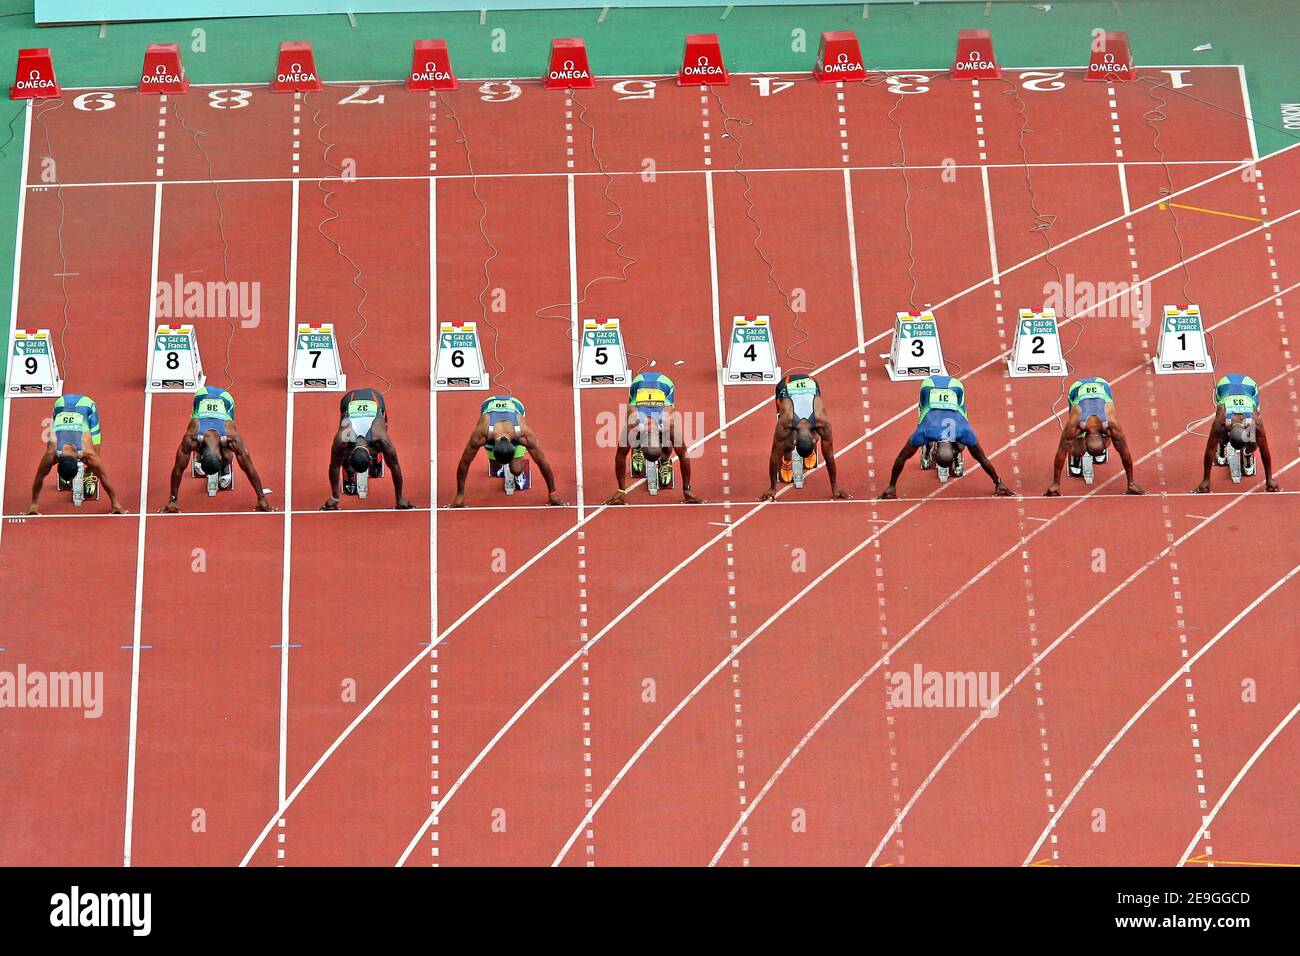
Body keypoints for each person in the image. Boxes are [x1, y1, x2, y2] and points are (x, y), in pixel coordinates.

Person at [880, 374, 1011, 499]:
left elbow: (901, 458)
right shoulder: (965, 432)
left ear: (936, 451)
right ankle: (929, 446)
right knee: (959, 434)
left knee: (922, 423)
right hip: (948, 388)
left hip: (931, 386)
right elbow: (982, 458)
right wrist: (998, 482)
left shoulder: (924, 433)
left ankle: (926, 446)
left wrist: (892, 485)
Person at [163, 385, 272, 513]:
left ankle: (225, 466)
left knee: (228, 455)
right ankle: (203, 454)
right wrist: (262, 498)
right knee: (196, 442)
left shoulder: (232, 438)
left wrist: (173, 500)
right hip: (201, 395)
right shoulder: (192, 437)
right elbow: (178, 468)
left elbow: (249, 468)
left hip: (225, 399)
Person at [607, 371, 702, 504]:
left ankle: (665, 461)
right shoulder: (631, 424)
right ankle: (637, 449)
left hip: (665, 384)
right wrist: (621, 490)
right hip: (638, 384)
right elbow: (620, 456)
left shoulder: (669, 423)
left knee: (668, 438)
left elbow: (683, 455)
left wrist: (687, 488)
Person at [449, 395, 563, 507]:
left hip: (515, 406)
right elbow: (464, 462)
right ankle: (498, 465)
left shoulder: (524, 434)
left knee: (516, 469)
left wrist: (553, 493)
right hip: (490, 405)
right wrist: (460, 494)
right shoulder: (481, 434)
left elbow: (542, 461)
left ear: (514, 447)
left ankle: (520, 469)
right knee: (495, 468)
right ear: (493, 448)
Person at [25, 392, 126, 514]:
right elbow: (39, 477)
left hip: (86, 406)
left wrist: (34, 504)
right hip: (60, 404)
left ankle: (88, 475)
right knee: (96, 465)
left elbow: (40, 476)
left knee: (96, 458)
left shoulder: (87, 453)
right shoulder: (52, 453)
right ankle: (66, 476)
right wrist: (33, 506)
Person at [758, 372, 850, 501]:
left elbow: (773, 456)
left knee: (816, 430)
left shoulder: (821, 421)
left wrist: (772, 488)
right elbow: (776, 455)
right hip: (785, 385)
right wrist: (834, 487)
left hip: (811, 382)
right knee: (786, 443)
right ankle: (787, 459)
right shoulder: (786, 421)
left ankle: (808, 453)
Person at [1045, 376, 1142, 496]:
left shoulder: (1110, 425)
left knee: (1069, 443)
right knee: (1076, 450)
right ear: (1106, 439)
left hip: (1102, 386)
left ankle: (1095, 450)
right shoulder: (1076, 424)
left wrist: (1056, 483)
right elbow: (1124, 453)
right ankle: (1077, 455)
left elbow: (1061, 451)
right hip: (1077, 388)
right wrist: (1130, 482)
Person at [321, 387, 413, 510]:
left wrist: (334, 498)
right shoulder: (342, 439)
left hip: (375, 398)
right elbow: (335, 466)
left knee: (382, 436)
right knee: (341, 441)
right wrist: (399, 498)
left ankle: (377, 458)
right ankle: (348, 471)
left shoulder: (381, 438)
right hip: (348, 400)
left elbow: (334, 466)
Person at [1194, 373, 1280, 493]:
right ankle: (1223, 445)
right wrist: (1205, 480)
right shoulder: (1221, 421)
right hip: (1225, 384)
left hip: (1249, 386)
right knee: (1219, 437)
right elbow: (1210, 449)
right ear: (1229, 432)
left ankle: (1248, 452)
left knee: (1255, 440)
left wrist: (1269, 479)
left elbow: (1264, 449)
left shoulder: (1255, 422)